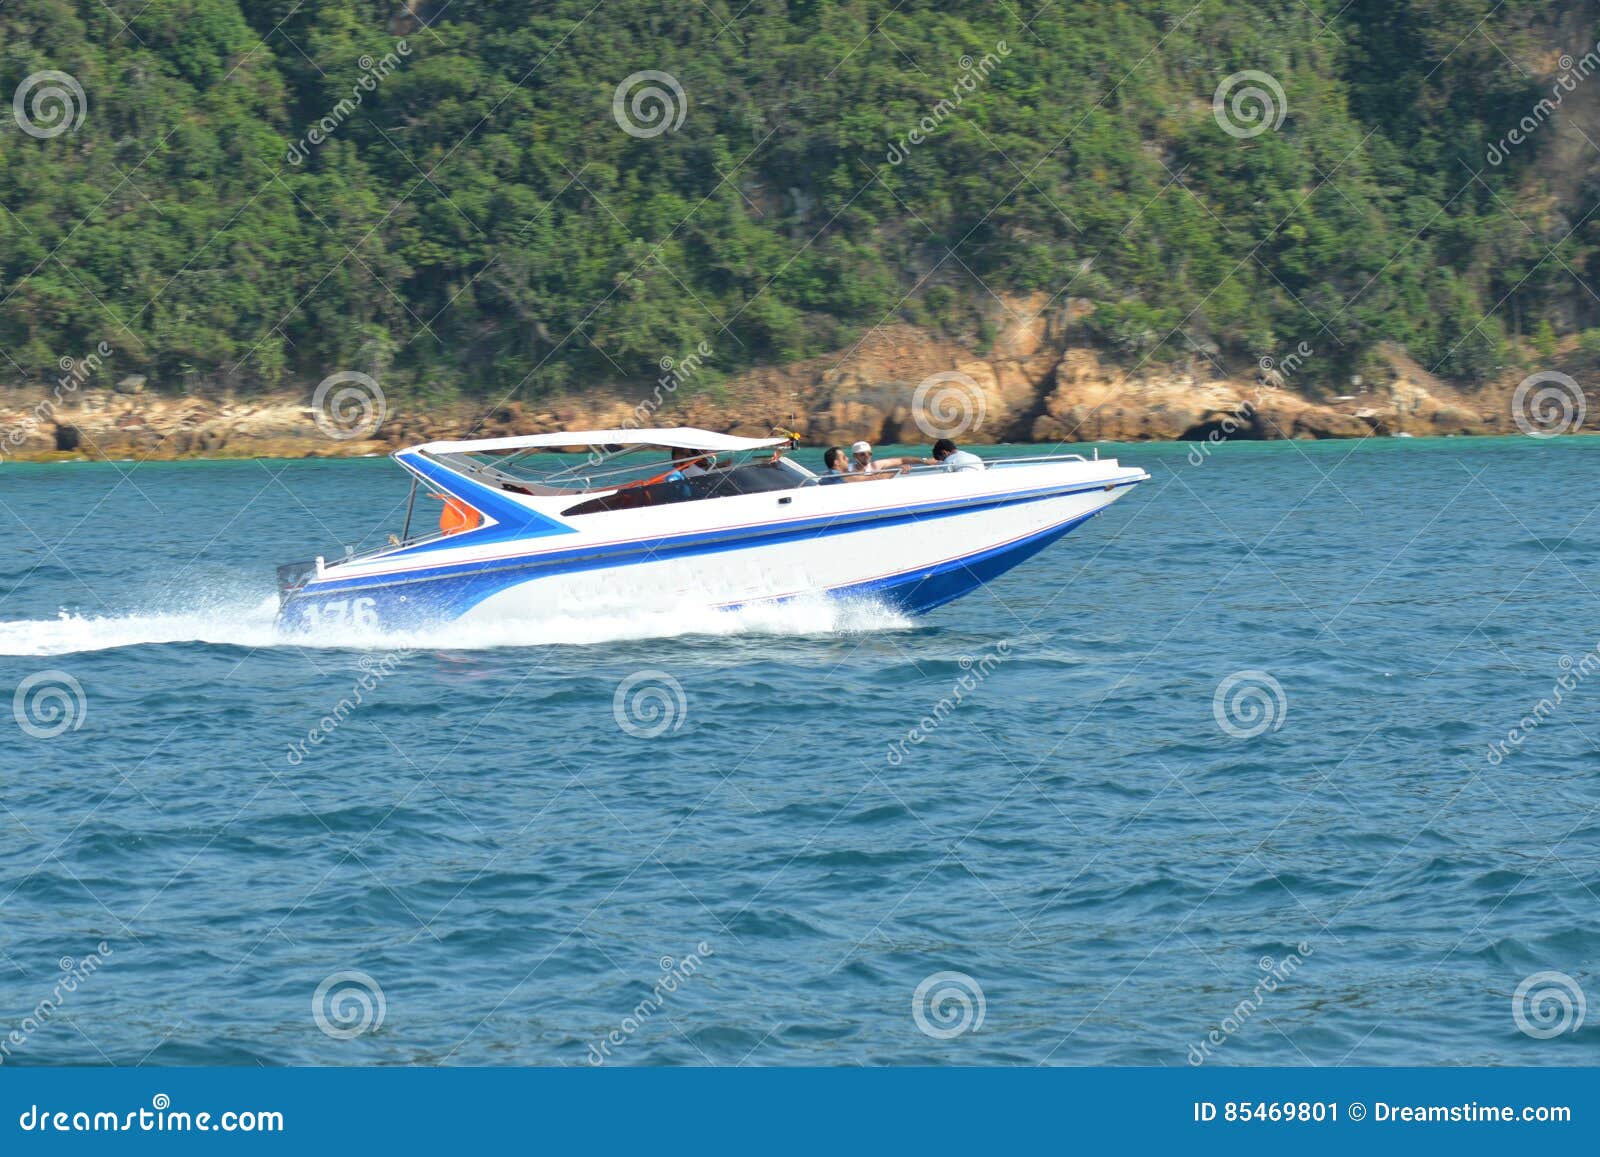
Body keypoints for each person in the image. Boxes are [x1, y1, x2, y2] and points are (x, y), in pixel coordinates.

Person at [820, 445, 895, 484]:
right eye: (844, 457)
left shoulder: (826, 477)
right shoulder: (841, 476)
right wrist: (895, 472)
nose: (847, 459)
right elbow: (868, 478)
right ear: (837, 462)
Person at [849, 440, 918, 475]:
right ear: (855, 456)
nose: (867, 456)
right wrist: (896, 473)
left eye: (869, 454)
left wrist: (924, 461)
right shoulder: (848, 469)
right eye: (862, 454)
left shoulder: (875, 466)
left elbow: (902, 460)